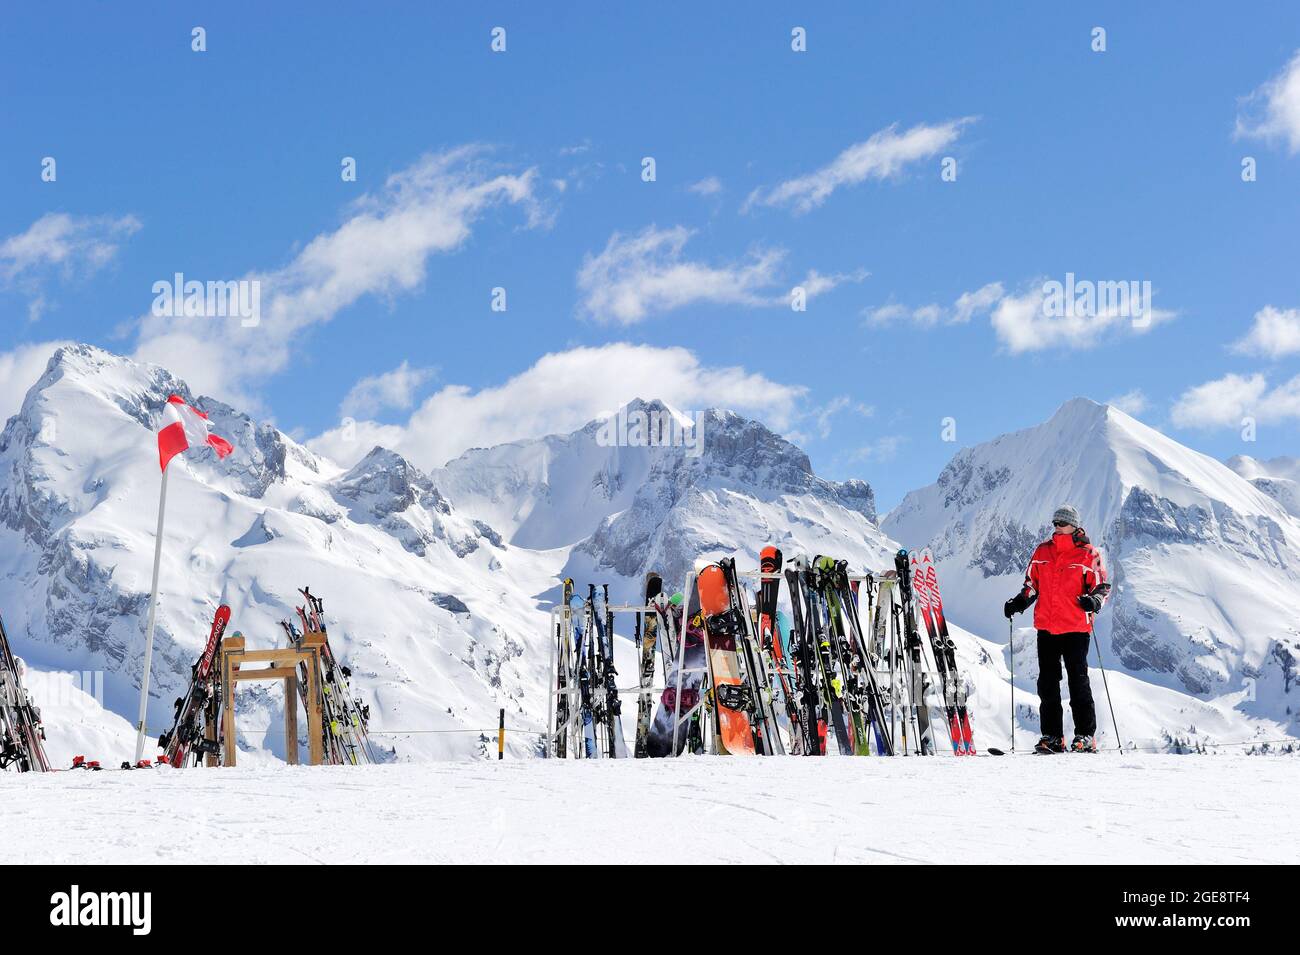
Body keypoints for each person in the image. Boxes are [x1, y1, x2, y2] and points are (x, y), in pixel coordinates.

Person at [1003, 504, 1110, 753]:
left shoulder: (1088, 554)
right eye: (1055, 523)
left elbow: (1102, 586)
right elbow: (1031, 584)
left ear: (1074, 525)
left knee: (1078, 683)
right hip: (1047, 628)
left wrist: (1093, 601)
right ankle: (1052, 737)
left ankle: (1085, 736)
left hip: (1075, 628)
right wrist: (1019, 602)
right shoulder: (1042, 552)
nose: (1057, 527)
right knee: (1047, 685)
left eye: (1062, 523)